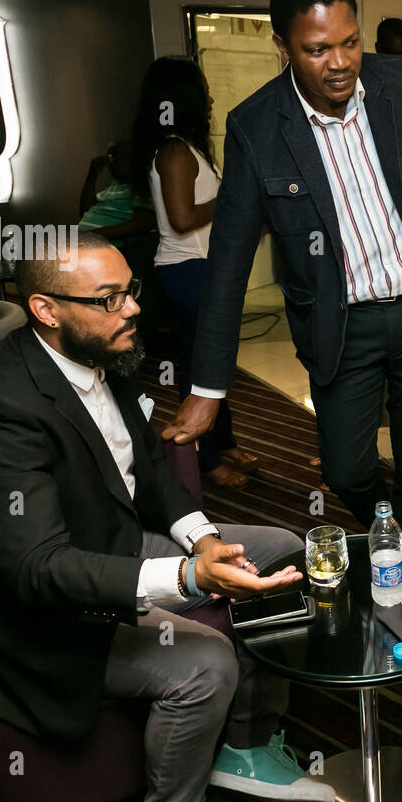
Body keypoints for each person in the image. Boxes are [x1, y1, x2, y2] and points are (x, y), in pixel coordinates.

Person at [0, 232, 334, 802]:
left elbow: (148, 467)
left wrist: (203, 540)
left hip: (122, 543)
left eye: (131, 291)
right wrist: (188, 578)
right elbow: (38, 569)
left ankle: (244, 749)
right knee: (206, 661)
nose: (132, 309)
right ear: (46, 310)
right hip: (58, 612)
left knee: (280, 545)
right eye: (109, 299)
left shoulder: (102, 351)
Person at [165, 0, 402, 531]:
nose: (340, 63)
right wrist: (207, 387)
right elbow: (229, 266)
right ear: (282, 47)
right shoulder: (257, 128)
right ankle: (387, 528)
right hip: (341, 328)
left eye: (350, 42)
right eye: (317, 49)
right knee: (345, 469)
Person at [131, 57, 258, 490]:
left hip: (201, 267)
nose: (209, 96)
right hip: (187, 270)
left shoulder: (188, 147)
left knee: (212, 362)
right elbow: (182, 218)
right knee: (200, 367)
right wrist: (235, 197)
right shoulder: (173, 151)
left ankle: (222, 442)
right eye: (201, 89)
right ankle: (203, 462)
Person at [77, 139, 156, 249]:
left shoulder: (141, 186)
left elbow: (143, 223)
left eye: (123, 158)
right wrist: (92, 176)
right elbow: (86, 212)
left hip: (100, 249)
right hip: (82, 244)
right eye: (111, 158)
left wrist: (91, 235)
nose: (116, 164)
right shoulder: (112, 188)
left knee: (51, 248)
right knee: (48, 242)